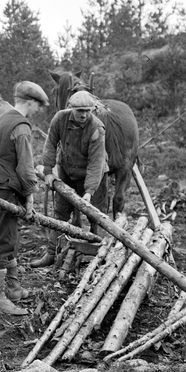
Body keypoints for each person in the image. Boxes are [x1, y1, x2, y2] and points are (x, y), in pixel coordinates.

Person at [0, 80, 50, 315]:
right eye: (38, 105)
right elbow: (26, 168)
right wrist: (30, 198)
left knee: (7, 235)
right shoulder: (21, 126)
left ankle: (14, 289)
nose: (38, 110)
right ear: (29, 102)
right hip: (2, 186)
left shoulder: (0, 119)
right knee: (3, 239)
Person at [28, 90, 108, 269]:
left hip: (93, 175)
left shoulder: (97, 128)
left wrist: (89, 191)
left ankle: (99, 257)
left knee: (95, 216)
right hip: (67, 170)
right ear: (71, 108)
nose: (84, 114)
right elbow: (50, 144)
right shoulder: (60, 119)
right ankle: (51, 253)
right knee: (60, 213)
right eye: (80, 110)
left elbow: (96, 163)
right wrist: (48, 170)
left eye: (88, 110)